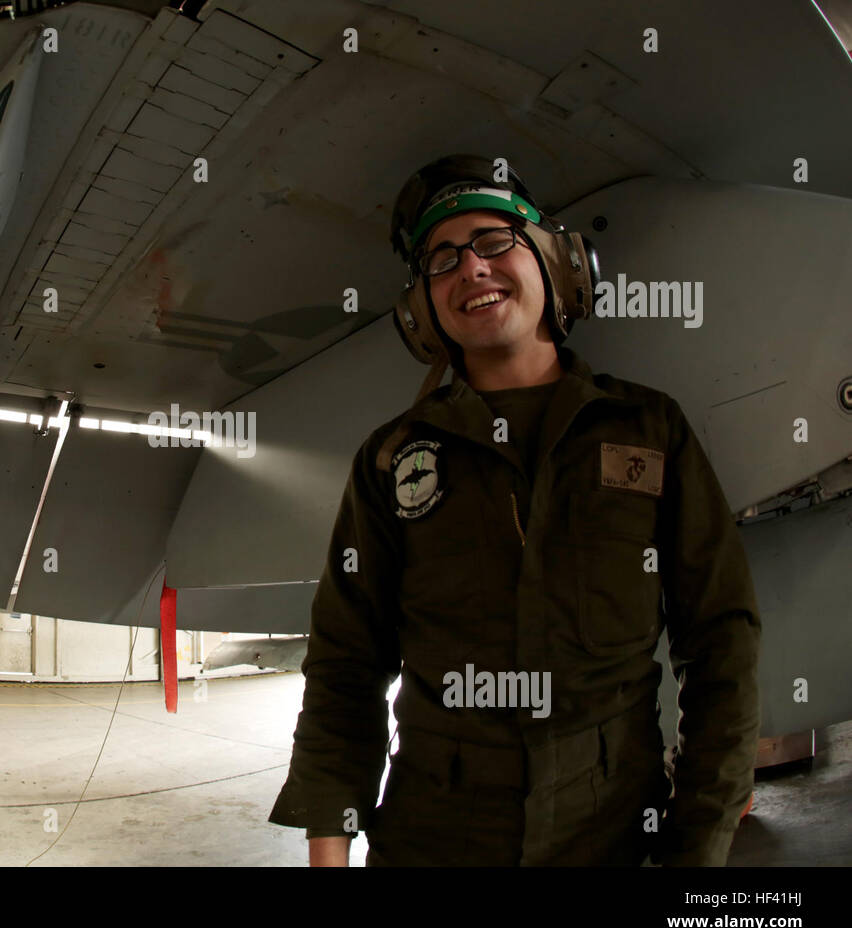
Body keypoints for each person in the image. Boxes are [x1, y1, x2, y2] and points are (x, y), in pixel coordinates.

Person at [267, 155, 762, 866]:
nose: (471, 269)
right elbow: (348, 660)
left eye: (496, 242)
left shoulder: (650, 431)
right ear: (422, 310)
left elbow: (721, 638)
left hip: (617, 831)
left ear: (556, 262)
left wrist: (702, 839)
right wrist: (328, 843)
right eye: (442, 259)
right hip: (434, 832)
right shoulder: (392, 459)